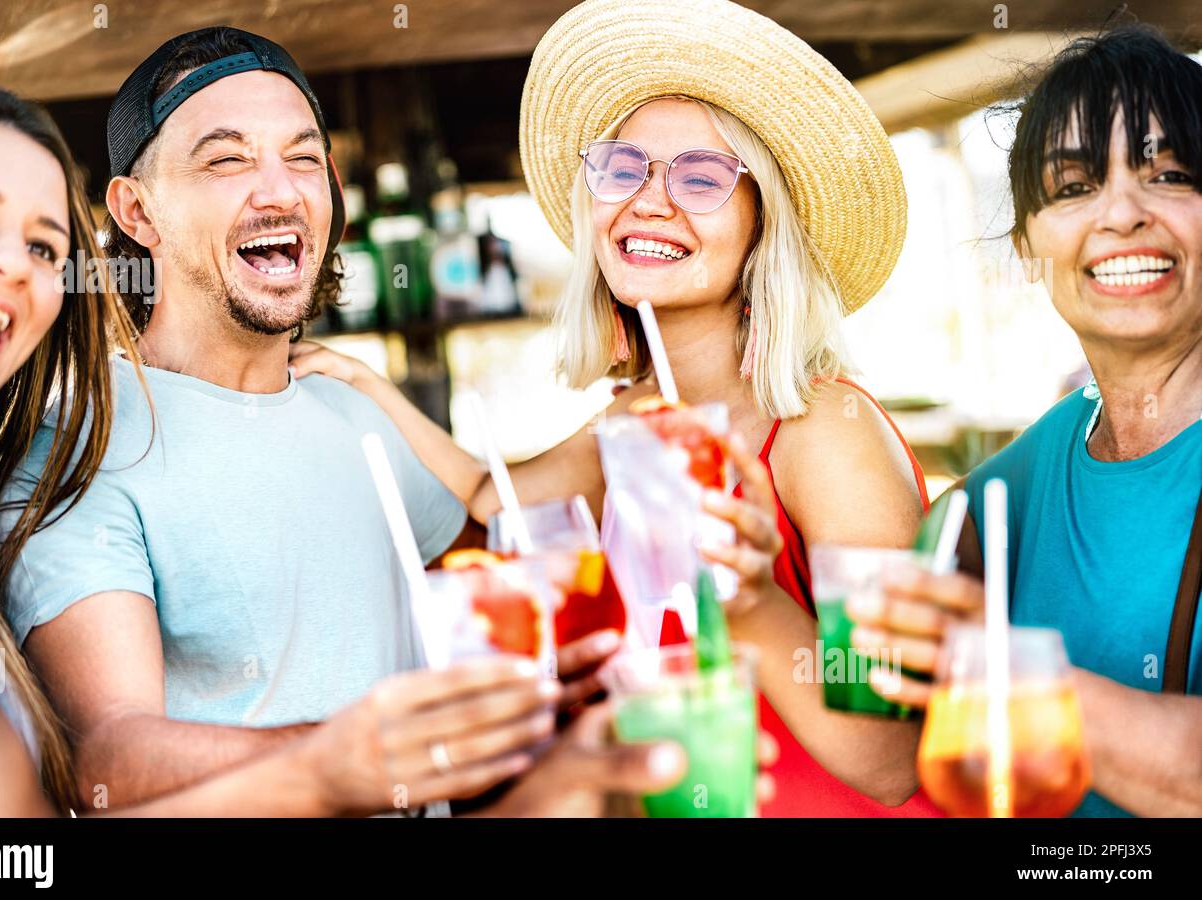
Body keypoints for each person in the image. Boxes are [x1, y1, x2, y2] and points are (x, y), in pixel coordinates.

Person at [290, 0, 938, 816]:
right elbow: (498, 501)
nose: (649, 200)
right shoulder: (634, 423)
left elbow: (893, 759)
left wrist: (754, 606)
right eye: (623, 168)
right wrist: (368, 386)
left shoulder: (825, 433)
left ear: (760, 223)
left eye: (701, 178)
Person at [0, 27, 638, 814]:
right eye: (226, 160)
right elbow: (109, 757)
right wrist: (350, 752)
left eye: (302, 158)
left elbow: (501, 583)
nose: (279, 191)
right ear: (137, 212)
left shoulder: (354, 410)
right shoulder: (83, 451)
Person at [849, 26, 1202, 817]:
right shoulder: (1028, 471)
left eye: (1170, 172)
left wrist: (995, 662)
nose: (1121, 213)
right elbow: (883, 739)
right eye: (1074, 186)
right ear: (1026, 243)